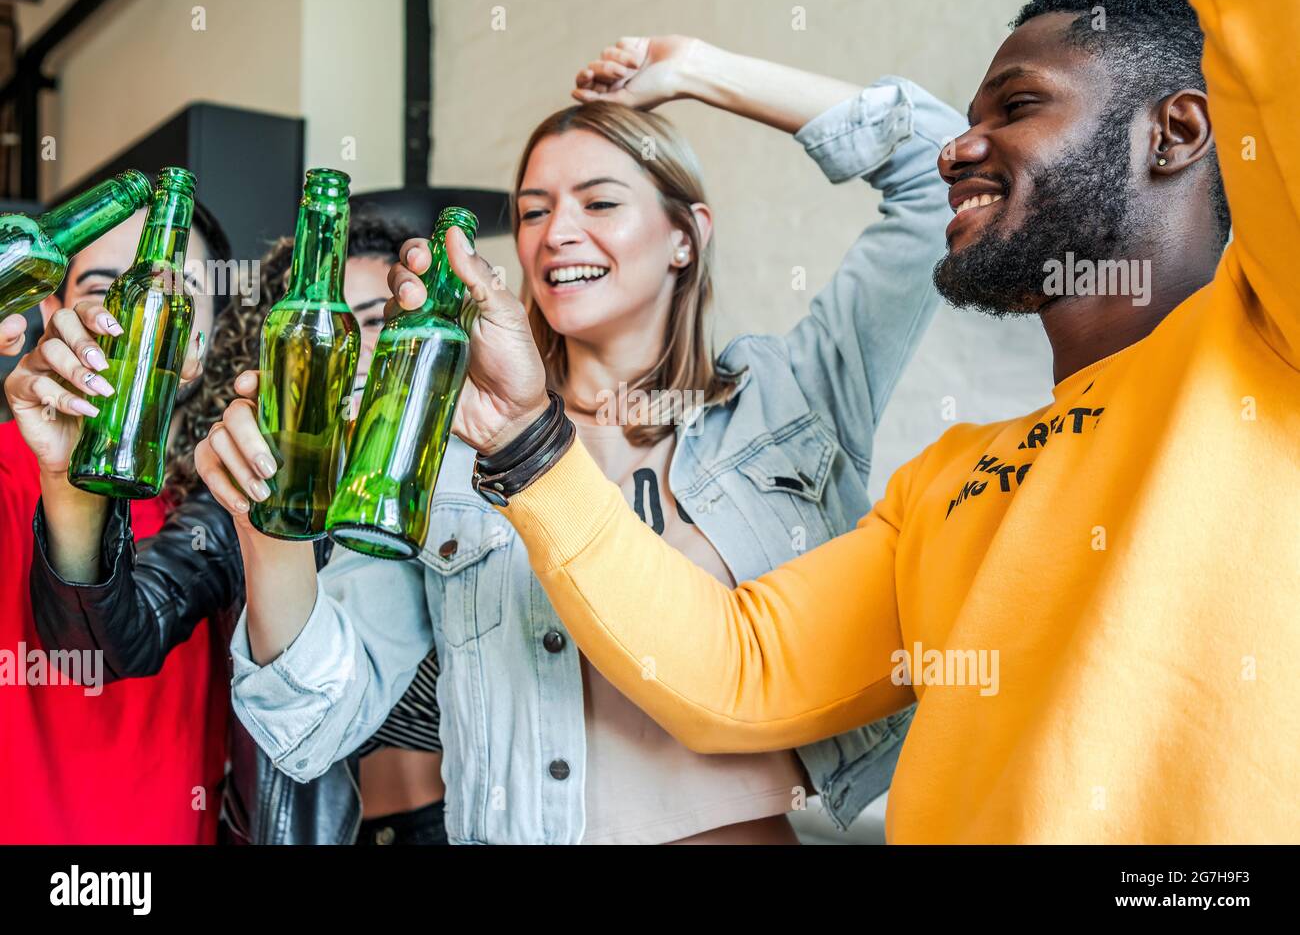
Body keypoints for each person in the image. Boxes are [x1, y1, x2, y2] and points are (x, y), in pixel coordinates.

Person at [355, 0, 1295, 843]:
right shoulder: (948, 485)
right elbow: (734, 667)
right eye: (533, 211)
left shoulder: (1271, 338)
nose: (958, 149)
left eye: (1017, 107)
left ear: (1176, 131)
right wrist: (526, 439)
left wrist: (706, 74)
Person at [205, 42, 962, 843]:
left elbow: (940, 170)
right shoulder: (448, 448)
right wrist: (269, 531)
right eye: (533, 211)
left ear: (686, 235)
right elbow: (316, 719)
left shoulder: (793, 396)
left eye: (599, 203)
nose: (556, 232)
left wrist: (698, 72)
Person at [19, 209, 450, 844]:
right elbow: (108, 644)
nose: (357, 362)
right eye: (331, 340)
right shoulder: (234, 508)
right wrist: (68, 479)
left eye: (382, 333)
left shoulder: (471, 497)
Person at [0, 201, 231, 843]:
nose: (136, 314)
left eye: (170, 292)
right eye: (105, 291)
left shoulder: (224, 499)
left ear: (206, 329)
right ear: (52, 314)